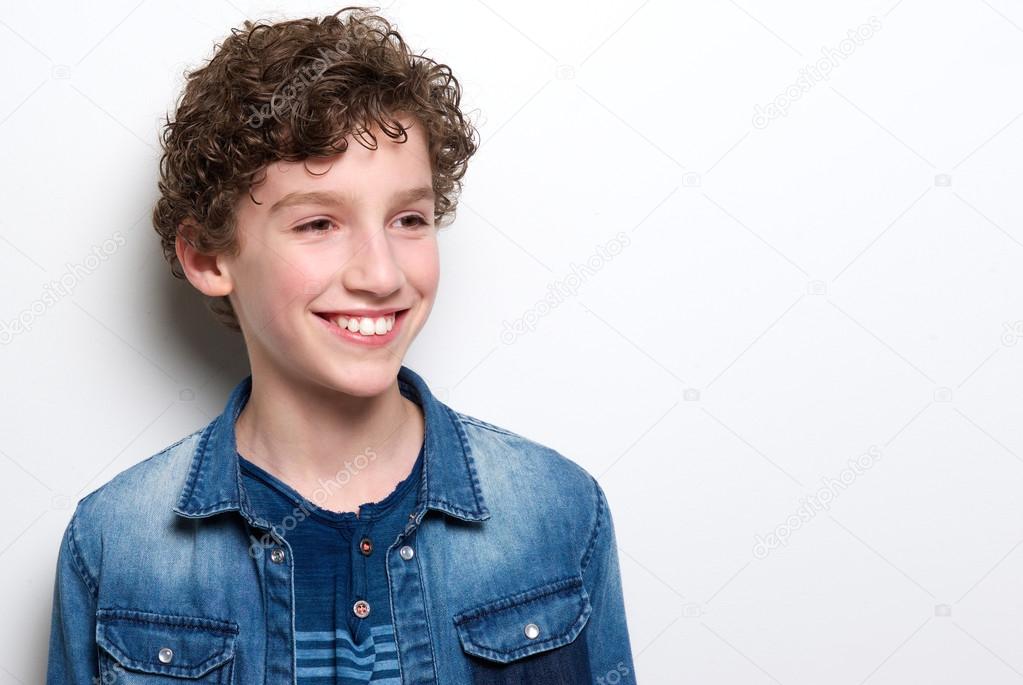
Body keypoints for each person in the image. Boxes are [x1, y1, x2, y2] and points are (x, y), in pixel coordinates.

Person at [46, 7, 636, 683]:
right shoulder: (116, 543)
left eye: (408, 219)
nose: (381, 274)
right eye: (320, 222)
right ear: (209, 256)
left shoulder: (556, 509)